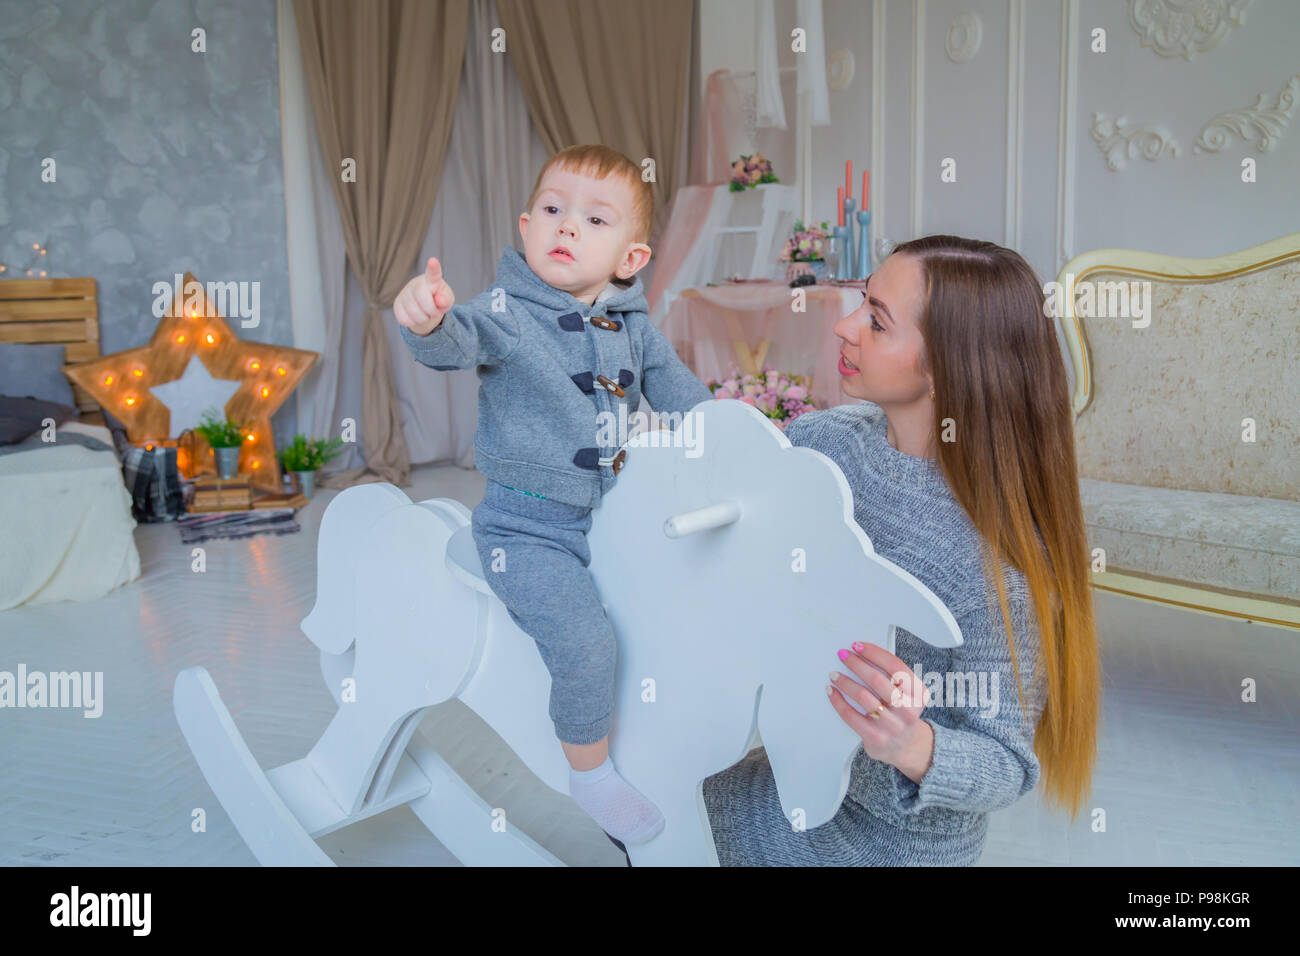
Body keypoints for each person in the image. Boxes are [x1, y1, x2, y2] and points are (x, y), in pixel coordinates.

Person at [702, 235, 1101, 865]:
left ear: (945, 365)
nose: (842, 325)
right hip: (788, 775)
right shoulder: (822, 442)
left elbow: (1006, 765)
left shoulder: (997, 562)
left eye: (876, 321)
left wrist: (909, 743)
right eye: (862, 302)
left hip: (890, 841)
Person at [393, 145, 712, 846]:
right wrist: (427, 319)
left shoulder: (634, 323)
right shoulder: (508, 310)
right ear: (525, 225)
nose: (566, 227)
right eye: (552, 210)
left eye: (594, 219)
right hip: (524, 531)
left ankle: (660, 737)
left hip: (609, 517)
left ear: (630, 258)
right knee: (588, 643)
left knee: (659, 616)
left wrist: (729, 443)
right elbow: (457, 339)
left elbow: (687, 399)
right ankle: (590, 774)